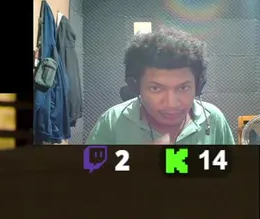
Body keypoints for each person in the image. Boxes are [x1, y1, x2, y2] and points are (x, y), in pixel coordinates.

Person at [85, 26, 235, 145]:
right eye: (156, 88)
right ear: (136, 87)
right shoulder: (112, 122)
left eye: (183, 88)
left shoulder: (213, 119)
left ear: (198, 86)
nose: (171, 103)